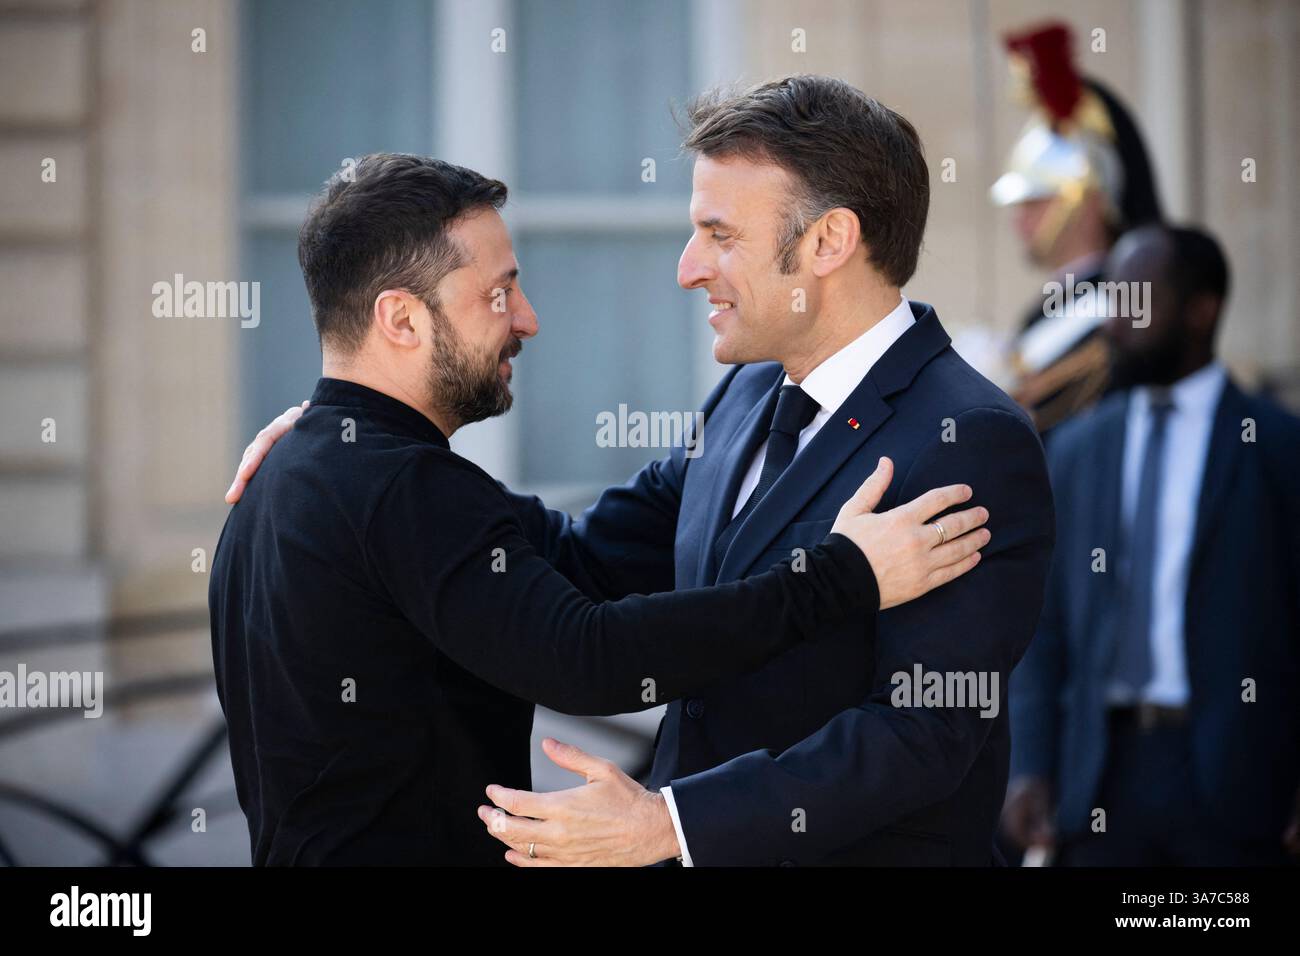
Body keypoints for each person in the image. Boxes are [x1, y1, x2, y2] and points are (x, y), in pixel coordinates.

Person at [232, 76, 1055, 867]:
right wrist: (348, 440)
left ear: (830, 241)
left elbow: (924, 735)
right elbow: (586, 563)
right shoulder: (747, 393)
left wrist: (673, 824)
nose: (688, 267)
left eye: (720, 235)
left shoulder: (969, 437)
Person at [1002, 224, 1300, 865]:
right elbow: (1043, 623)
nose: (1114, 323)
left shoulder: (1276, 445)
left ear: (1202, 310)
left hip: (1234, 781)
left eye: (1138, 301)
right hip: (1098, 779)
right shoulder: (1078, 449)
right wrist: (1029, 762)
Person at [989, 21, 1164, 439]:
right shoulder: (1055, 305)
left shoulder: (1120, 308)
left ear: (1088, 201)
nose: (1021, 219)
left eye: (1036, 201)